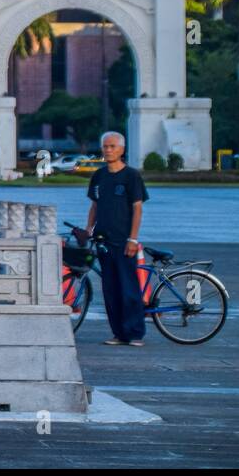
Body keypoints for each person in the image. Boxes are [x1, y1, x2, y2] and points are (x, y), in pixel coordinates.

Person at [84, 130, 149, 346]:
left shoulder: (131, 176)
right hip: (103, 241)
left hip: (124, 242)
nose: (108, 150)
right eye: (105, 146)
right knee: (110, 290)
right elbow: (94, 205)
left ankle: (135, 333)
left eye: (112, 146)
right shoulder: (99, 176)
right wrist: (88, 230)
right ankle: (119, 333)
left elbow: (137, 209)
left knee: (128, 289)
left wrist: (133, 239)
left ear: (122, 150)